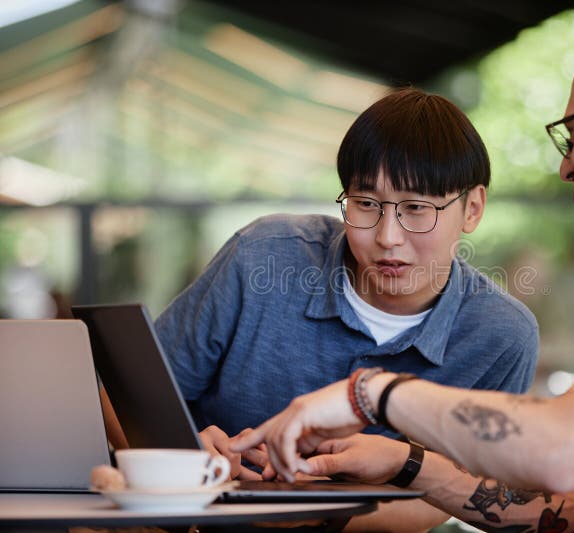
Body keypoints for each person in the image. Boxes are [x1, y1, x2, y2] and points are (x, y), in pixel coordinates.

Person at [231, 11, 574, 532]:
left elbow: (563, 450)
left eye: (573, 133)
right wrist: (410, 464)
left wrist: (369, 393)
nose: (565, 165)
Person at [153, 87, 540, 530]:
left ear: (472, 209)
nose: (388, 237)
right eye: (366, 204)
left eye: (416, 208)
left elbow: (455, 495)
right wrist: (178, 453)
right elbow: (124, 391)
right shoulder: (262, 256)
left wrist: (304, 517)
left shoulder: (501, 336)